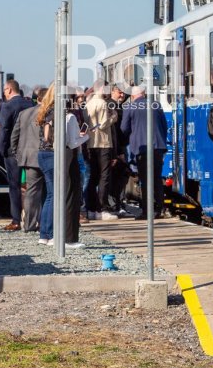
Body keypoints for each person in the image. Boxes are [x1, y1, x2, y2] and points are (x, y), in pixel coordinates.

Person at [33, 85, 88, 247]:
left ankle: (45, 234)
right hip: (53, 153)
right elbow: (69, 141)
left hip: (43, 153)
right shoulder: (61, 113)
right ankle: (51, 234)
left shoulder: (46, 110)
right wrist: (84, 137)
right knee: (55, 195)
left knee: (50, 194)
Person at [119, 86, 168, 220]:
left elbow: (124, 129)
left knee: (145, 180)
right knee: (157, 179)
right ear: (144, 94)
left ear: (133, 96)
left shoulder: (130, 108)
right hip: (157, 146)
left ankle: (147, 211)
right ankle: (160, 209)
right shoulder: (156, 105)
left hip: (141, 148)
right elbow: (164, 125)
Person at [0, 79, 34, 232]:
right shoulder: (30, 104)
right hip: (30, 149)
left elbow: (5, 129)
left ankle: (16, 220)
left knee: (14, 186)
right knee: (32, 185)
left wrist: (3, 149)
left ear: (9, 90)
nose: (4, 94)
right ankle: (33, 219)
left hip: (13, 151)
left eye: (5, 91)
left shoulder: (7, 106)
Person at [84, 82, 119, 220]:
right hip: (103, 142)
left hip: (90, 143)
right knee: (104, 176)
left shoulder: (89, 103)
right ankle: (102, 208)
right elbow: (104, 124)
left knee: (93, 176)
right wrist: (113, 117)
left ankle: (91, 208)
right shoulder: (103, 104)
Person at [10, 102, 44, 233]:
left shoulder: (24, 113)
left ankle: (29, 225)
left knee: (31, 192)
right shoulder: (50, 112)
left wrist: (17, 154)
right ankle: (45, 223)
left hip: (28, 158)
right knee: (49, 193)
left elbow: (14, 136)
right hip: (46, 156)